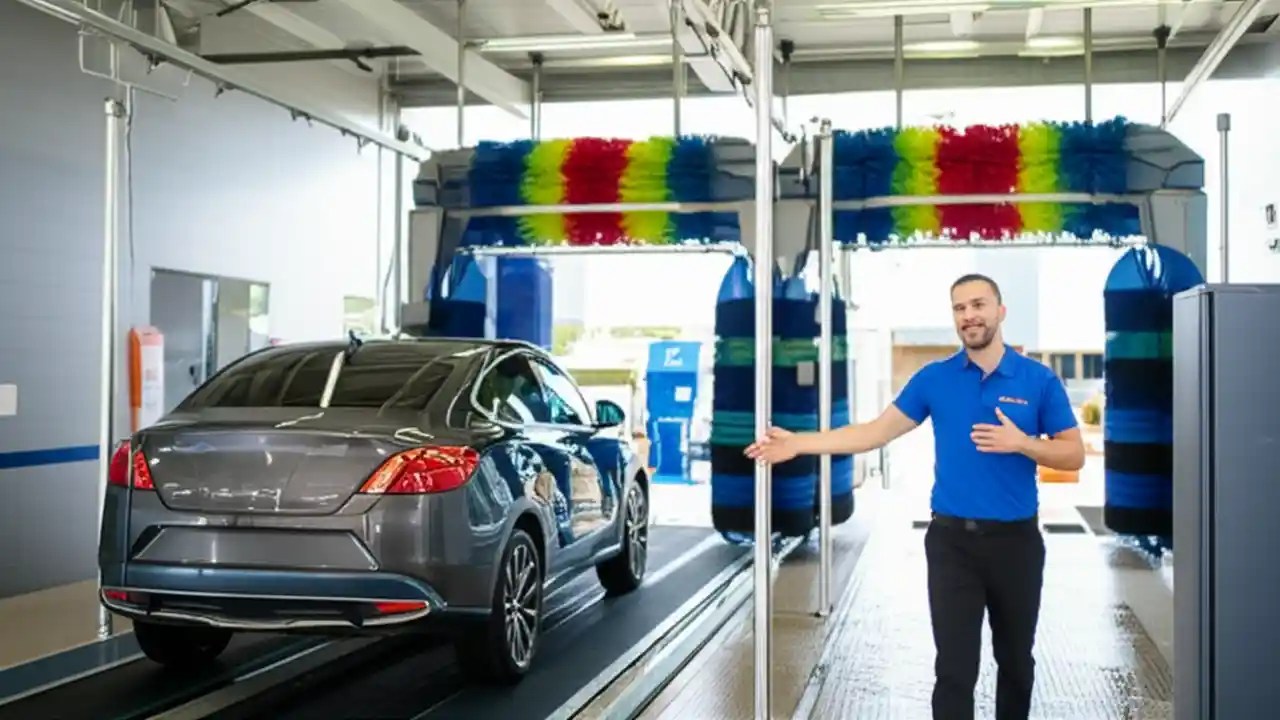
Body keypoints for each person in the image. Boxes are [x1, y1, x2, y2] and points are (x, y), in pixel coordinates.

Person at [745, 273, 1084, 720]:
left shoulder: (1038, 380)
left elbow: (1074, 453)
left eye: (978, 305)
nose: (969, 316)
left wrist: (1022, 443)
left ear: (1000, 312)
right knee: (955, 670)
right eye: (959, 308)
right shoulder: (935, 380)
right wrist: (799, 444)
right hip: (952, 544)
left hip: (1016, 545)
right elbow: (873, 433)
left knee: (1016, 663)